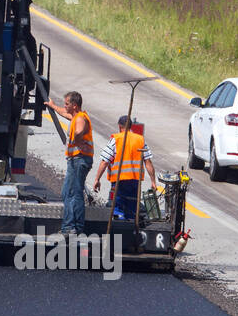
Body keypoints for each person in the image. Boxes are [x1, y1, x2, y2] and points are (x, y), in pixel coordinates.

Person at [92, 115, 155, 222]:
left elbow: (105, 161)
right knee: (132, 209)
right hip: (135, 182)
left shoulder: (116, 140)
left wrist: (97, 179)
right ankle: (130, 232)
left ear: (120, 126)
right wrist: (153, 181)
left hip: (119, 181)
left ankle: (119, 233)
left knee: (118, 210)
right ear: (131, 126)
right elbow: (148, 162)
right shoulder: (140, 140)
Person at [45, 91, 92, 235]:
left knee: (72, 193)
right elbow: (64, 113)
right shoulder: (75, 116)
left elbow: (79, 130)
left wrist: (77, 139)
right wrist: (52, 106)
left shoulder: (80, 119)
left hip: (79, 159)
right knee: (71, 192)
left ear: (75, 105)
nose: (64, 106)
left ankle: (70, 227)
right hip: (77, 159)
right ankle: (75, 227)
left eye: (67, 104)